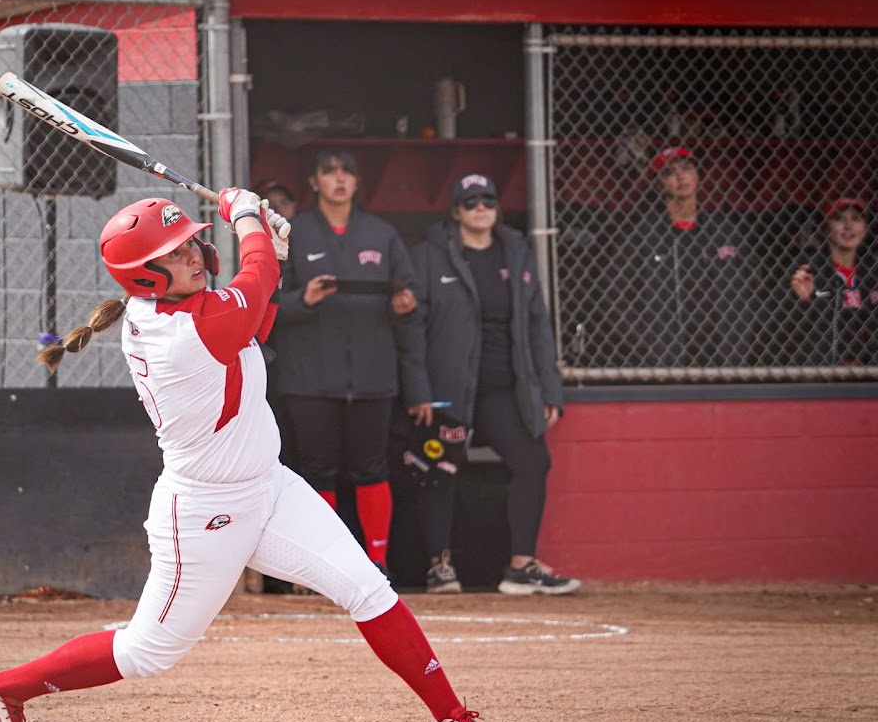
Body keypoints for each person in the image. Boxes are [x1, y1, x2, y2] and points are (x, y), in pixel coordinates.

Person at [0, 189, 516, 722]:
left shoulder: (201, 314)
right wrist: (246, 216)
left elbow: (256, 322)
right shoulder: (176, 332)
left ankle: (452, 721)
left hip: (268, 487)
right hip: (203, 511)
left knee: (368, 589)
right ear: (144, 277)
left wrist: (268, 245)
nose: (193, 254)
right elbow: (253, 292)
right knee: (148, 651)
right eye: (173, 253)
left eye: (191, 242)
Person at [406, 174, 580, 596]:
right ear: (455, 211)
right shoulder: (431, 255)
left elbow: (538, 325)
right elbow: (412, 327)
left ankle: (521, 567)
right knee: (440, 471)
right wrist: (418, 389)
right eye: (470, 201)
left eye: (488, 199)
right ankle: (439, 566)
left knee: (533, 462)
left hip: (504, 389)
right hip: (448, 389)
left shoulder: (515, 252)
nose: (480, 207)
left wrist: (548, 390)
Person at [273, 148, 420, 575]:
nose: (339, 179)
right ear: (314, 182)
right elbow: (266, 306)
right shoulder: (293, 232)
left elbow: (410, 302)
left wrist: (404, 305)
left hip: (373, 376)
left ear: (357, 182)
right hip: (310, 378)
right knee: (318, 471)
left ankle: (376, 562)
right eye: (329, 172)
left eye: (347, 172)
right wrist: (305, 300)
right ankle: (325, 567)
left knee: (372, 469)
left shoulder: (382, 233)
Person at [618, 146, 756, 369]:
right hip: (667, 359)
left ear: (697, 174)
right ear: (658, 183)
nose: (681, 176)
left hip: (723, 355)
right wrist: (650, 344)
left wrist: (740, 338)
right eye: (670, 172)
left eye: (687, 168)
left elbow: (752, 287)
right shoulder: (642, 235)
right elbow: (617, 297)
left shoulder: (724, 231)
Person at [789, 196, 876, 365]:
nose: (848, 226)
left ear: (865, 229)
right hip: (818, 373)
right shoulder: (808, 269)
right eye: (839, 218)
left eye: (856, 219)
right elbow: (787, 328)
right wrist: (805, 300)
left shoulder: (873, 273)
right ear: (825, 228)